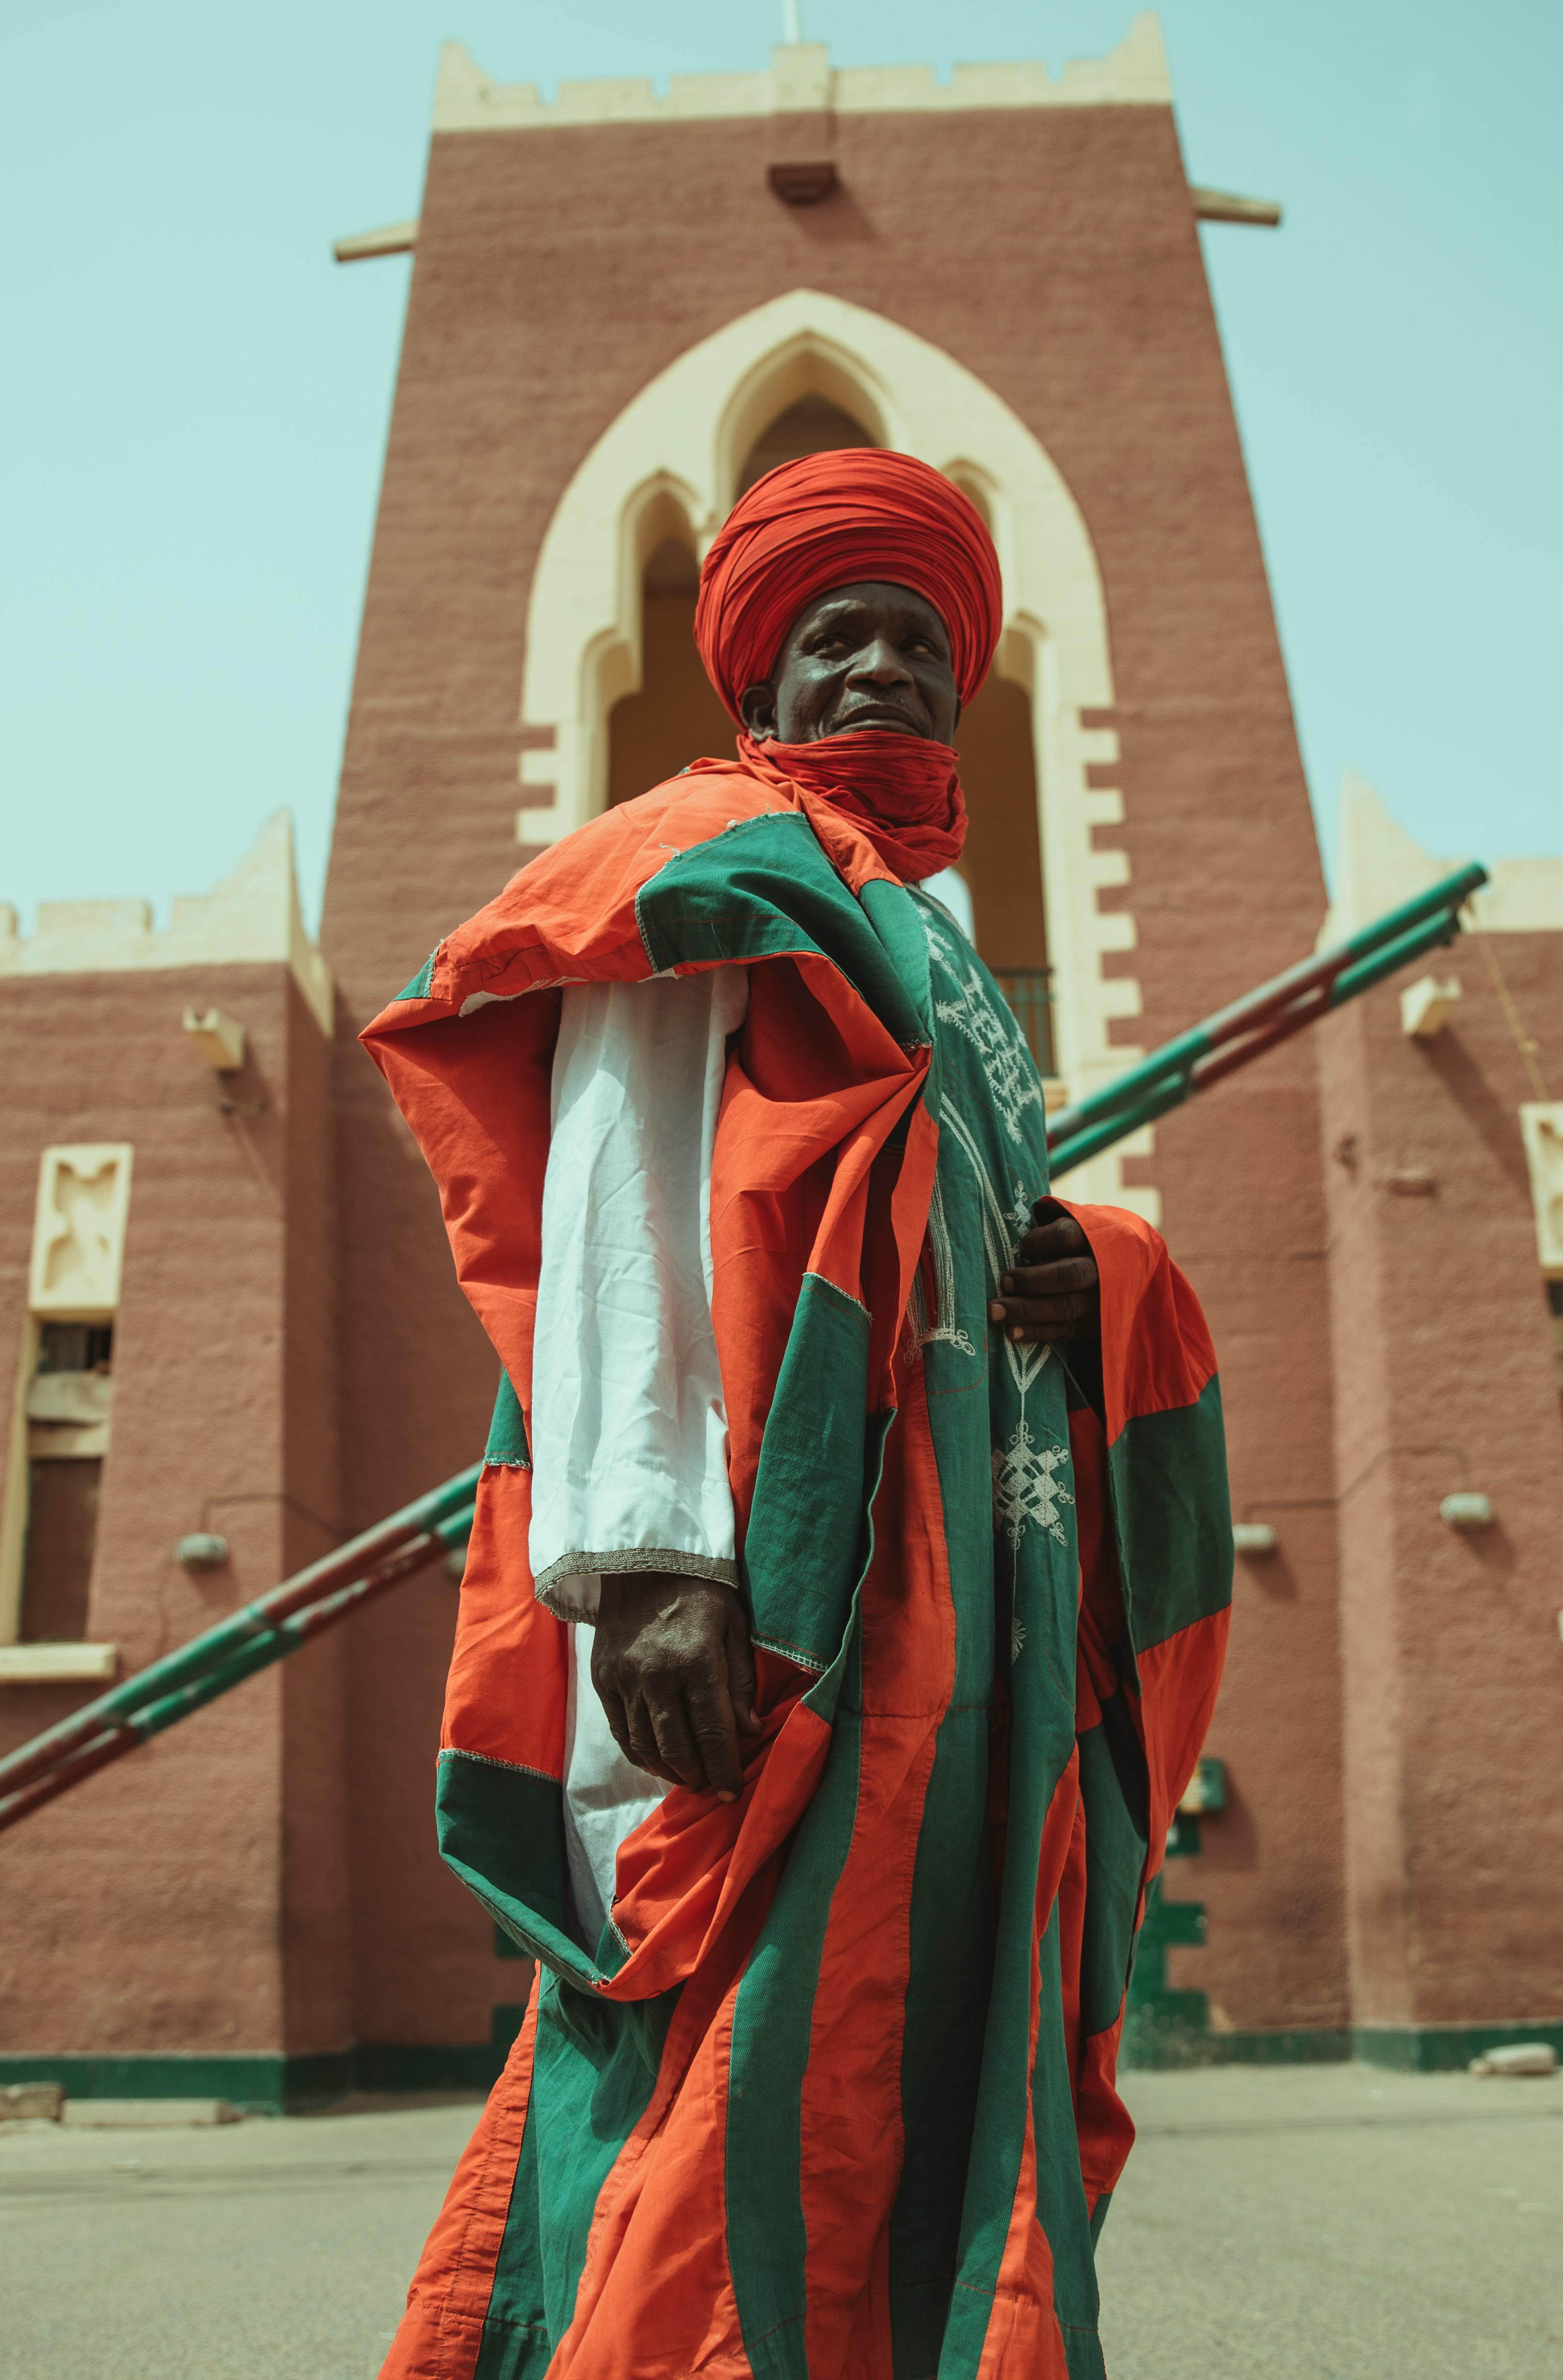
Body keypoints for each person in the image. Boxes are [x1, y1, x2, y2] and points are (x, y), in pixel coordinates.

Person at [363, 447, 1233, 2380]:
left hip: (975, 1616)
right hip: (777, 1595)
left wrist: (1102, 1269)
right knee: (746, 2055)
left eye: (916, 640)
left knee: (927, 2063)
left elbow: (970, 1236)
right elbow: (616, 1193)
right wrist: (645, 1556)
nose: (879, 669)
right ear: (754, 689)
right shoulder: (711, 860)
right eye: (832, 635)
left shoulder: (952, 957)